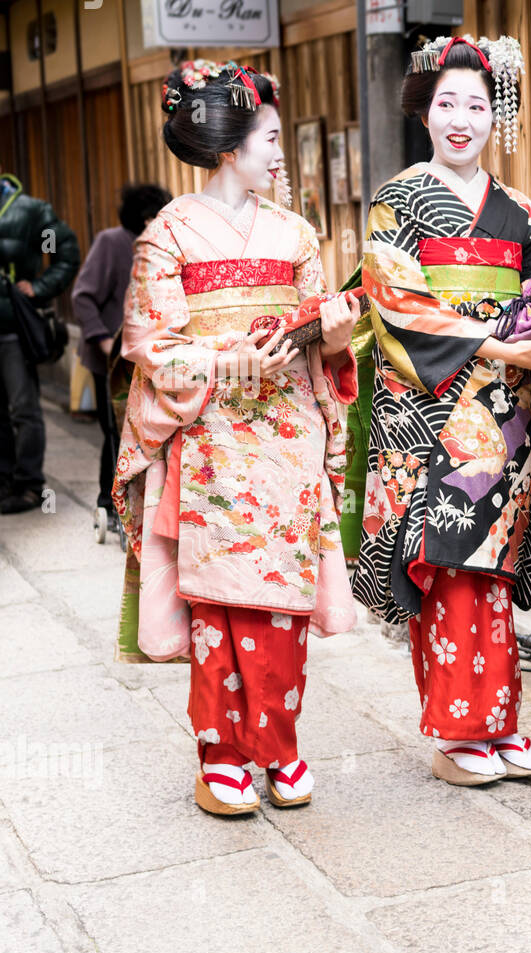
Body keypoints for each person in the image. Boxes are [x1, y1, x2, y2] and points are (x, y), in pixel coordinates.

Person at [113, 60, 361, 816]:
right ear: (229, 146)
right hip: (213, 435)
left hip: (285, 433)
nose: (281, 153)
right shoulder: (169, 234)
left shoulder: (294, 231)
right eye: (271, 139)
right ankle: (221, 751)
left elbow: (313, 323)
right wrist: (224, 359)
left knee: (281, 603)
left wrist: (337, 335)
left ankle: (280, 745)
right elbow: (148, 341)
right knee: (218, 603)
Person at [352, 36, 531, 787]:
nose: (462, 119)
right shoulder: (399, 200)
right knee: (444, 561)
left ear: (494, 113)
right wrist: (496, 346)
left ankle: (500, 720)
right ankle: (455, 731)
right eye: (447, 104)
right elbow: (395, 302)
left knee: (492, 569)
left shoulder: (519, 210)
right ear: (425, 111)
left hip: (503, 411)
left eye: (477, 104)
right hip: (428, 407)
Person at [72, 183, 173, 527]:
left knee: (144, 433)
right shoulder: (111, 242)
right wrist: (102, 340)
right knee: (113, 431)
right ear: (146, 218)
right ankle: (109, 501)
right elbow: (83, 296)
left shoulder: (161, 247)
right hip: (111, 358)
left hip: (144, 358)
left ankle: (143, 502)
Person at [0, 170, 80, 513]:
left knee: (23, 406)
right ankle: (4, 482)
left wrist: (40, 287)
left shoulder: (30, 211)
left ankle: (30, 485)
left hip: (13, 326)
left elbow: (64, 252)